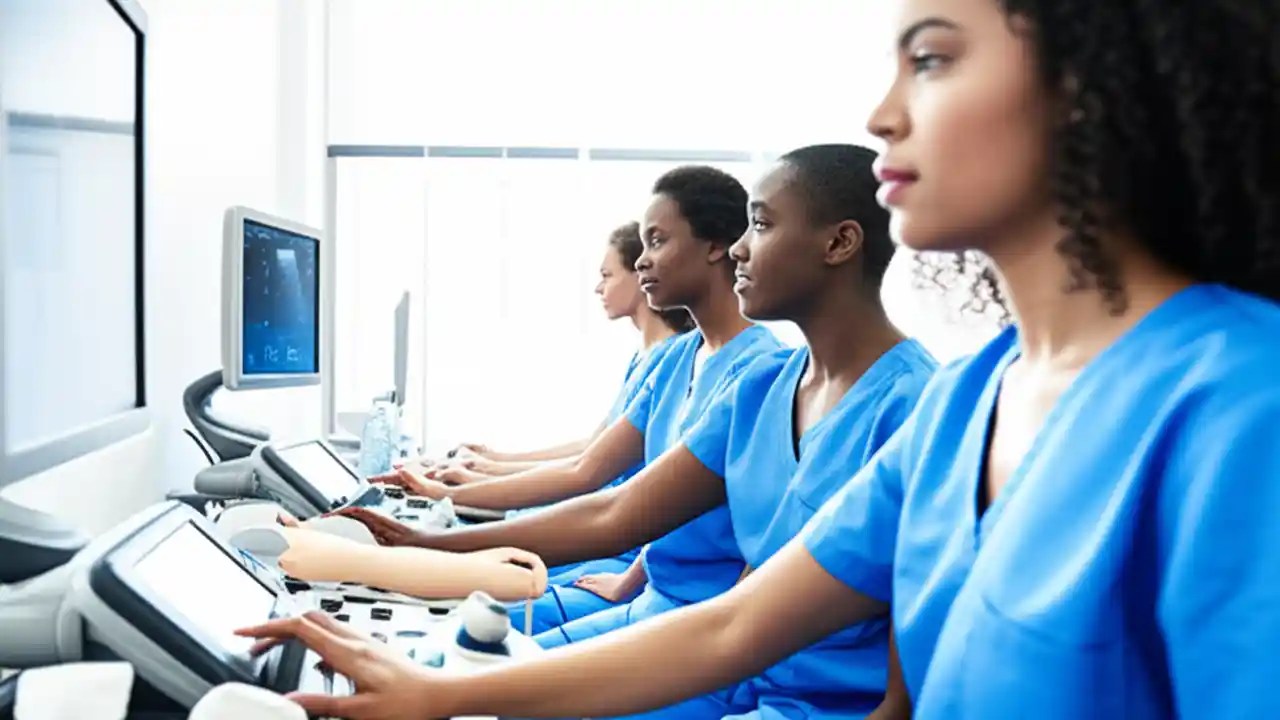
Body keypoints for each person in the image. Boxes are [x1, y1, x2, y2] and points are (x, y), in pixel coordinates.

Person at [238, 0, 1280, 718]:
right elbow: (730, 628)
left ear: (1094, 91)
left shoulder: (1239, 406)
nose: (881, 114)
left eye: (929, 58)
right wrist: (435, 694)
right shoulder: (972, 401)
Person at [335, 143, 933, 720]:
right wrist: (422, 543)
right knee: (486, 682)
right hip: (737, 663)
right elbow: (616, 513)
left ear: (839, 242)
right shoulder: (763, 389)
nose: (740, 252)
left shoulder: (913, 405)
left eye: (762, 226)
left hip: (822, 699)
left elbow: (919, 608)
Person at [357, 165, 783, 632]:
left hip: (693, 618)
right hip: (649, 594)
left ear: (716, 246)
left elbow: (630, 507)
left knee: (470, 647)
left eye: (657, 242)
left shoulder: (760, 373)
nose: (642, 261)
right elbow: (606, 474)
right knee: (451, 634)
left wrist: (433, 533)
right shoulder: (677, 358)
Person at [409, 222, 692, 481]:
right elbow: (592, 447)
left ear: (640, 275)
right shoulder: (643, 357)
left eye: (607, 275)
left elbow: (586, 469)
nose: (598, 287)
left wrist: (485, 475)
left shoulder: (669, 357)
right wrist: (493, 460)